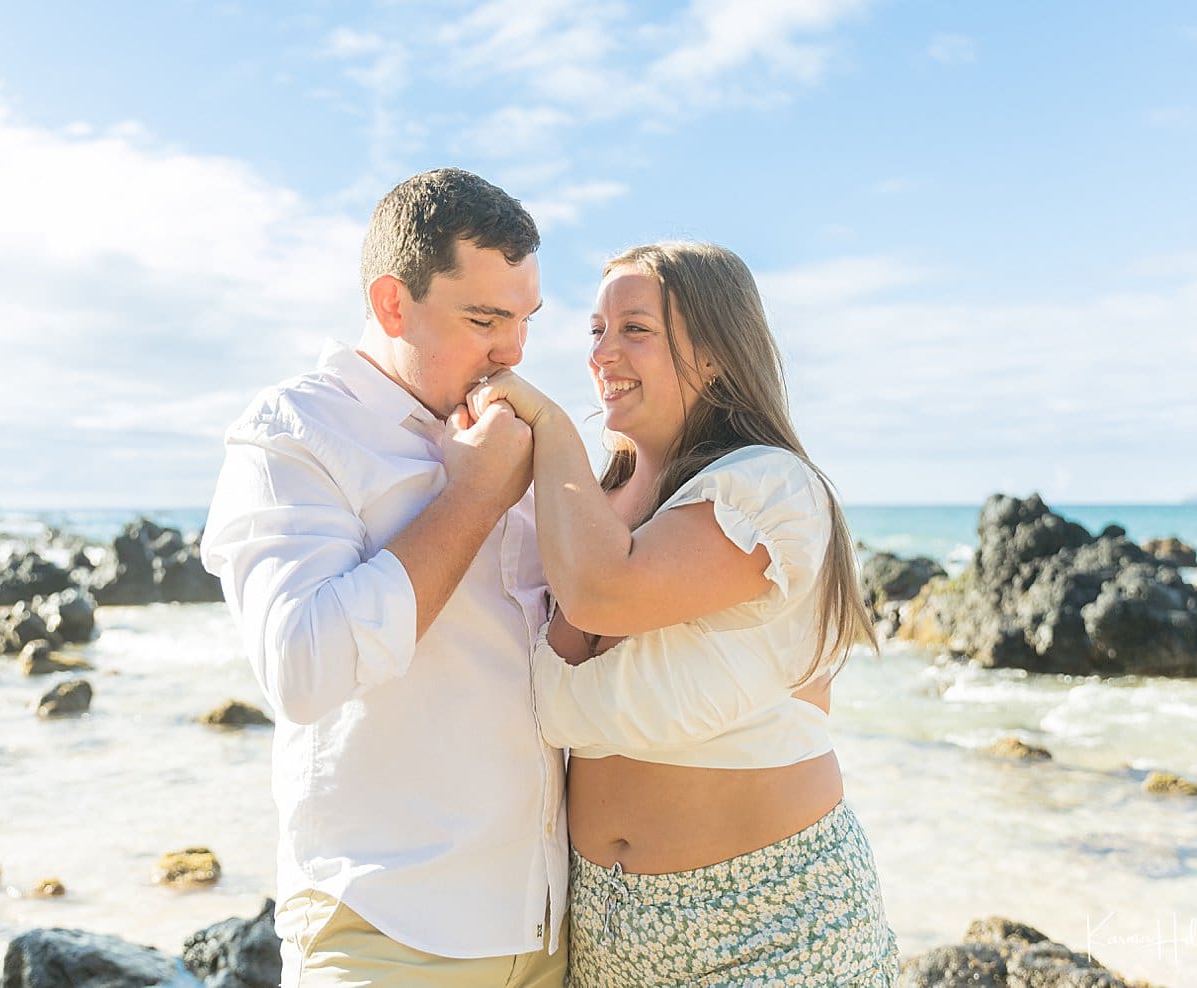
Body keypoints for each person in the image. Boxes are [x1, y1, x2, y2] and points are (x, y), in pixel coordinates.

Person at [467, 241, 900, 986]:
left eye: (636, 328)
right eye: (596, 331)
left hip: (772, 925)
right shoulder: (589, 507)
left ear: (715, 355)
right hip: (604, 943)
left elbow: (610, 591)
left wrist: (550, 426)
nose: (603, 353)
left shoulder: (768, 487)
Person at [200, 168, 567, 987]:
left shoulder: (513, 429)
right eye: (484, 319)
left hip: (552, 929)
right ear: (393, 302)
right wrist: (473, 497)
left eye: (524, 321)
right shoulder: (293, 432)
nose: (511, 351)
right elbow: (304, 667)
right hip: (385, 932)